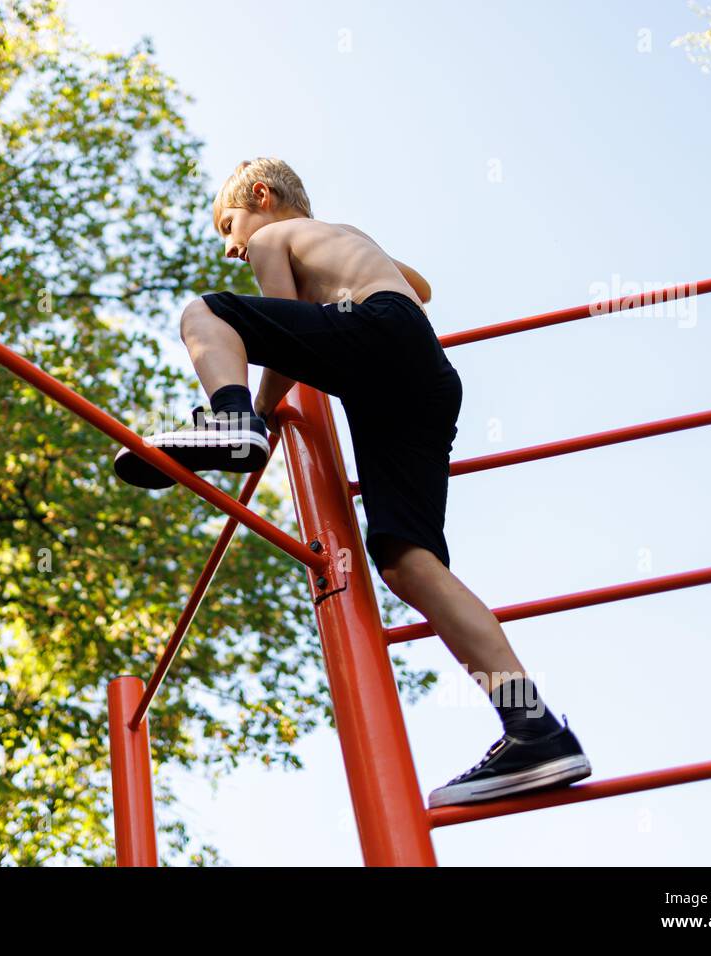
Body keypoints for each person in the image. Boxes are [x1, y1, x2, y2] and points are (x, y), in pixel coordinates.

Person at [113, 157, 591, 806]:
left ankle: (224, 419)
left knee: (206, 314)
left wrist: (253, 415)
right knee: (406, 560)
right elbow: (420, 287)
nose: (232, 245)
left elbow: (278, 328)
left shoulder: (272, 237)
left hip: (379, 341)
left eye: (230, 224)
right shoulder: (346, 239)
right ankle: (532, 727)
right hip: (421, 377)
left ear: (263, 197)